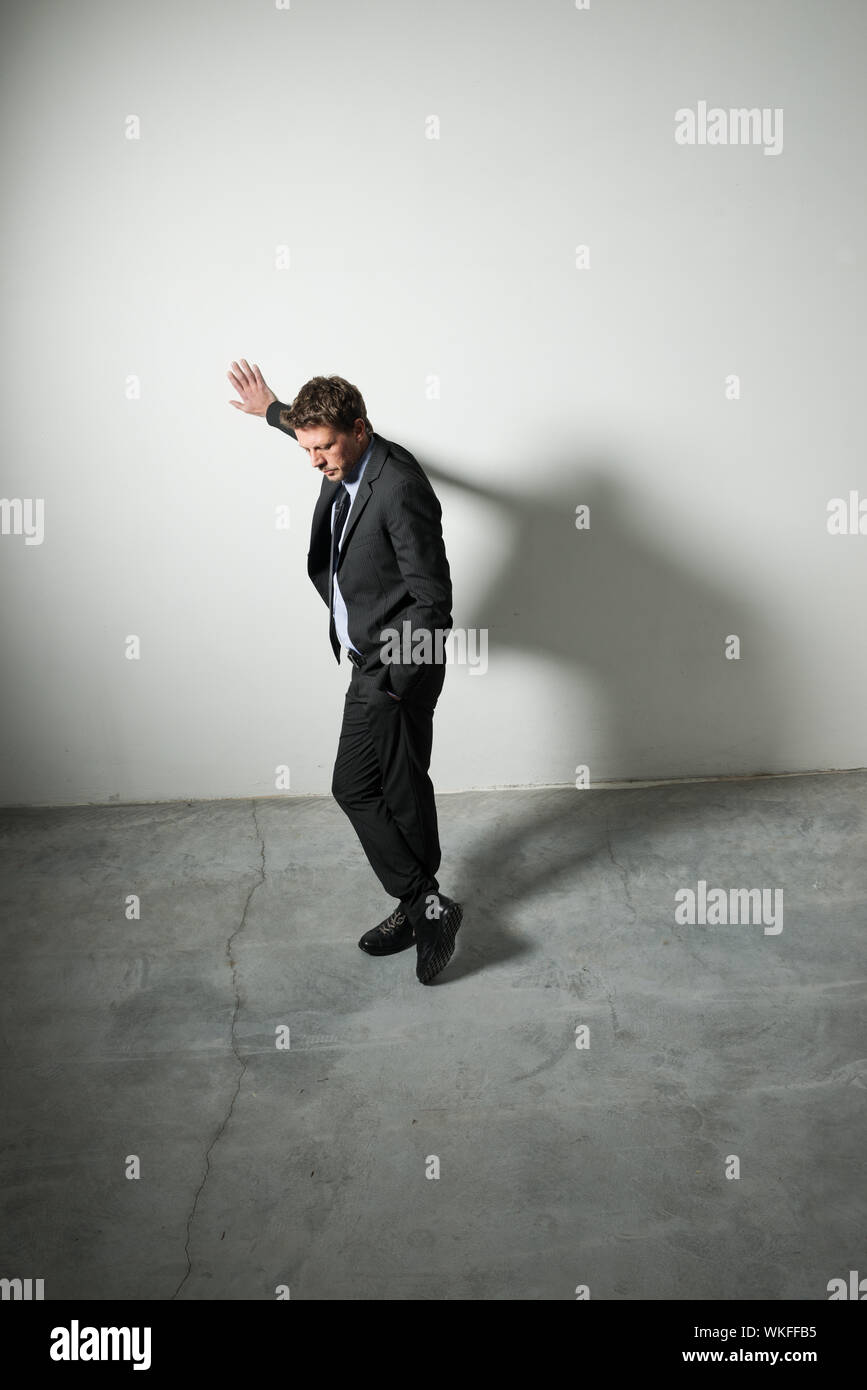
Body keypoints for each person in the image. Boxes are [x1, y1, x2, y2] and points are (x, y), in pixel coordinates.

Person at [227, 359, 463, 984]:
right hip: (369, 661)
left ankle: (426, 906)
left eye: (324, 447)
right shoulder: (340, 454)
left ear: (360, 428)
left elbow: (433, 601)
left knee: (397, 790)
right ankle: (421, 904)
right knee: (359, 787)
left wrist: (392, 680)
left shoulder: (398, 486)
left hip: (396, 668)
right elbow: (308, 430)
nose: (315, 462)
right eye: (307, 447)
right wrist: (273, 409)